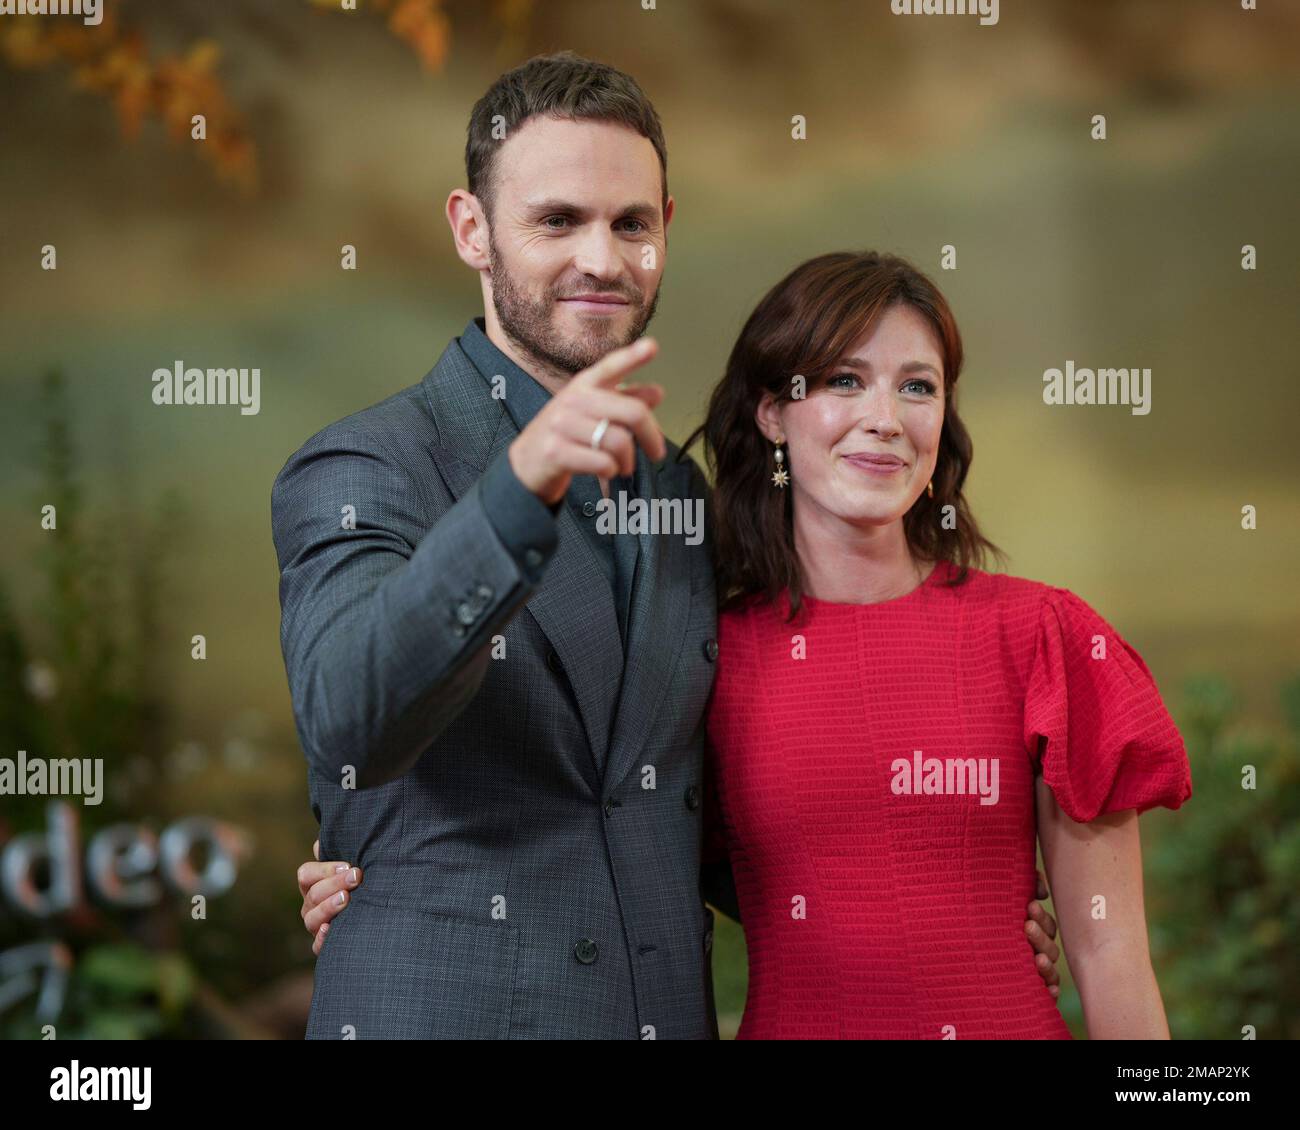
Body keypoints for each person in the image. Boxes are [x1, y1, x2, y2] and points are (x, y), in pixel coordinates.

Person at [279, 52, 1063, 1040]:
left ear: (666, 231)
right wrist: (517, 490)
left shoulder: (674, 493)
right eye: (557, 220)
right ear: (471, 229)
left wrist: (972, 913)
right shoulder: (365, 462)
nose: (601, 258)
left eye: (631, 223)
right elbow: (351, 716)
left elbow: (700, 808)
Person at [695, 250, 1191, 1038]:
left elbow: (1110, 954)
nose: (887, 418)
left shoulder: (1039, 635)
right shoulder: (704, 656)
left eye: (917, 386)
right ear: (770, 412)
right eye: (844, 380)